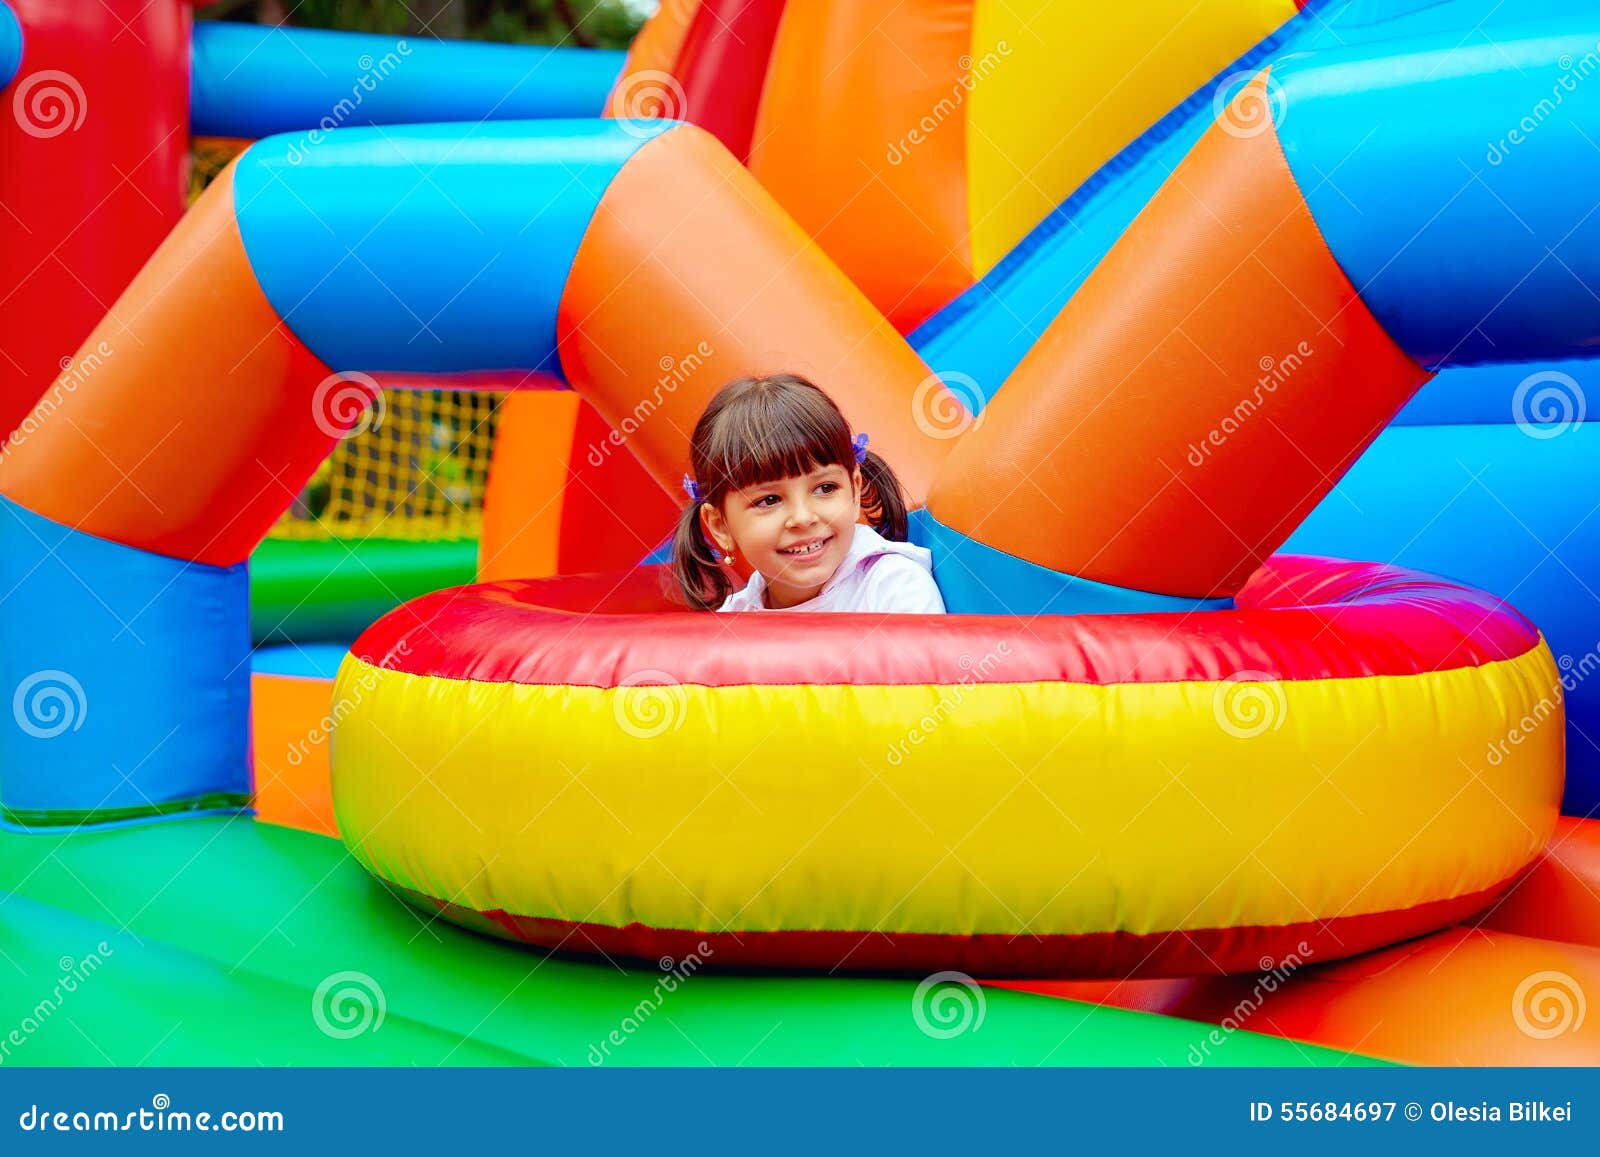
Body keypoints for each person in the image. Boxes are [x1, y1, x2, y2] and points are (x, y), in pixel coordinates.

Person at [671, 374, 946, 614]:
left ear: (855, 490)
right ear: (720, 526)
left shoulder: (894, 589)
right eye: (769, 500)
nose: (803, 518)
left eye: (825, 488)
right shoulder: (733, 621)